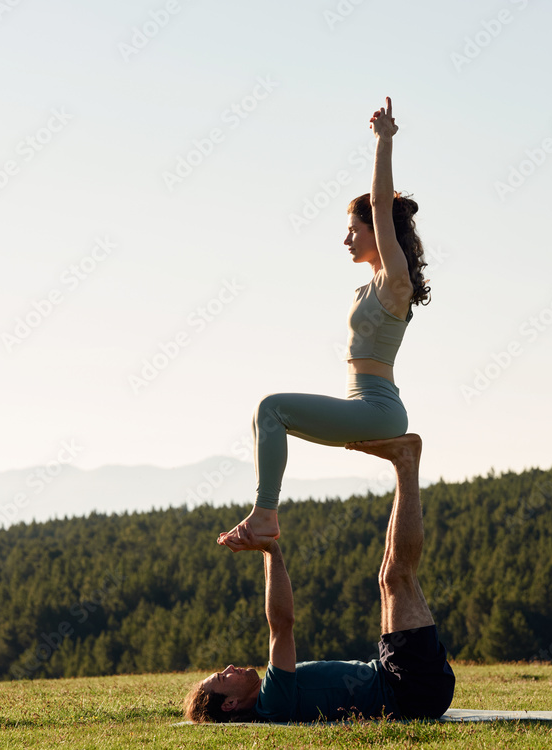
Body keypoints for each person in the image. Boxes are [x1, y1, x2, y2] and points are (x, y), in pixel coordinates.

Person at [217, 97, 431, 551]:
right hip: (366, 404)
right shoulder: (370, 286)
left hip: (379, 410)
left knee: (271, 407)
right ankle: (265, 513)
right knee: (266, 416)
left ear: (378, 231)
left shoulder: (395, 283)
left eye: (355, 228)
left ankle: (265, 515)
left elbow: (379, 201)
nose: (347, 238)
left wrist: (383, 142)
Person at [186, 433, 455, 723]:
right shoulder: (272, 701)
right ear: (231, 704)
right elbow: (281, 625)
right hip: (411, 689)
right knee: (397, 576)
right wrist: (270, 550)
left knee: (387, 578)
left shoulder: (270, 695)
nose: (228, 668)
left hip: (394, 673)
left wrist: (268, 550)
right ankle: (405, 463)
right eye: (222, 678)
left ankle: (403, 462)